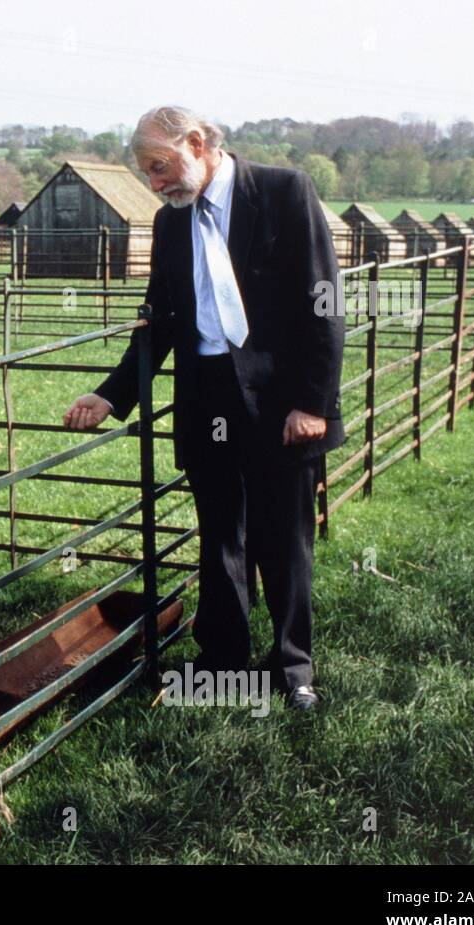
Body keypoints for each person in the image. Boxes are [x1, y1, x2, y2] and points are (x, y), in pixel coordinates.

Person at [62, 106, 346, 711]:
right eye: (148, 175)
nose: (157, 183)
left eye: (160, 167)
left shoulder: (282, 191)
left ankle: (294, 670)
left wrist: (312, 403)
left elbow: (323, 300)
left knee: (284, 541)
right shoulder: (171, 224)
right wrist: (112, 393)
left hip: (281, 404)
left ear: (197, 142)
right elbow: (159, 323)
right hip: (206, 397)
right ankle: (222, 664)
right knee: (220, 538)